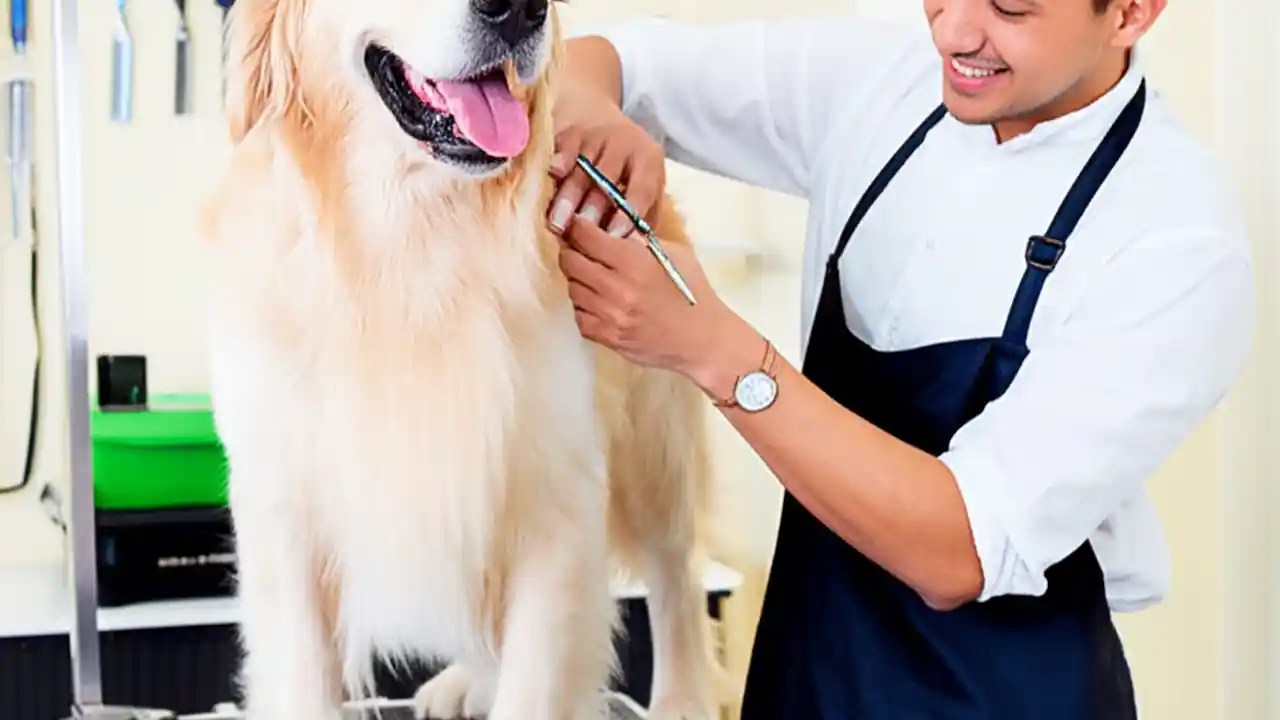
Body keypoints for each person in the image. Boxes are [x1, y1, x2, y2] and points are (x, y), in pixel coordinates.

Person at [546, 0, 1254, 717]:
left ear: (1131, 13)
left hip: (1001, 697)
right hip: (808, 670)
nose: (955, 32)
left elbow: (959, 551)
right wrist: (594, 110)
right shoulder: (883, 83)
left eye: (1010, 8)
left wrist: (715, 351)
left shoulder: (1176, 240)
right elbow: (617, 59)